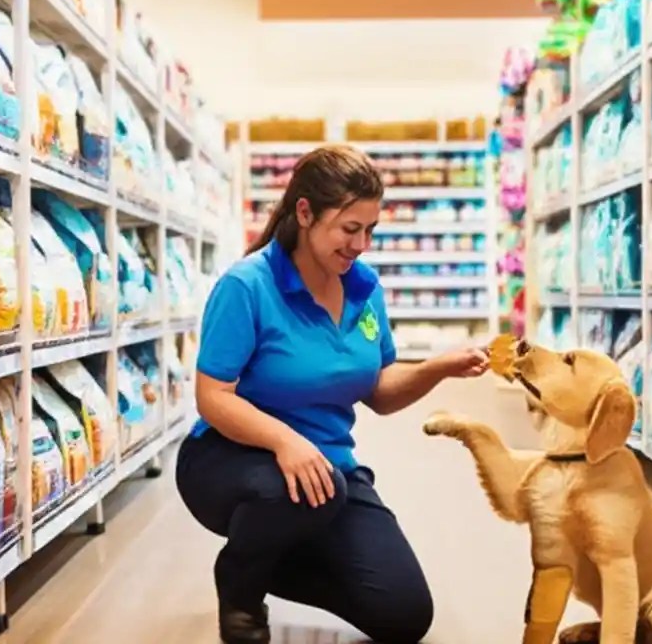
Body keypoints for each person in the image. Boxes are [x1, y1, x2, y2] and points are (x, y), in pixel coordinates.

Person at [176, 145, 490, 644]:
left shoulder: (363, 289)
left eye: (370, 230)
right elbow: (213, 395)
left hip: (328, 472)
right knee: (299, 491)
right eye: (350, 228)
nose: (362, 244)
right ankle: (240, 587)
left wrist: (439, 367)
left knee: (405, 614)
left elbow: (379, 392)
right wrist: (285, 442)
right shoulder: (248, 285)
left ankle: (271, 551)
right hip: (230, 460)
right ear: (305, 213)